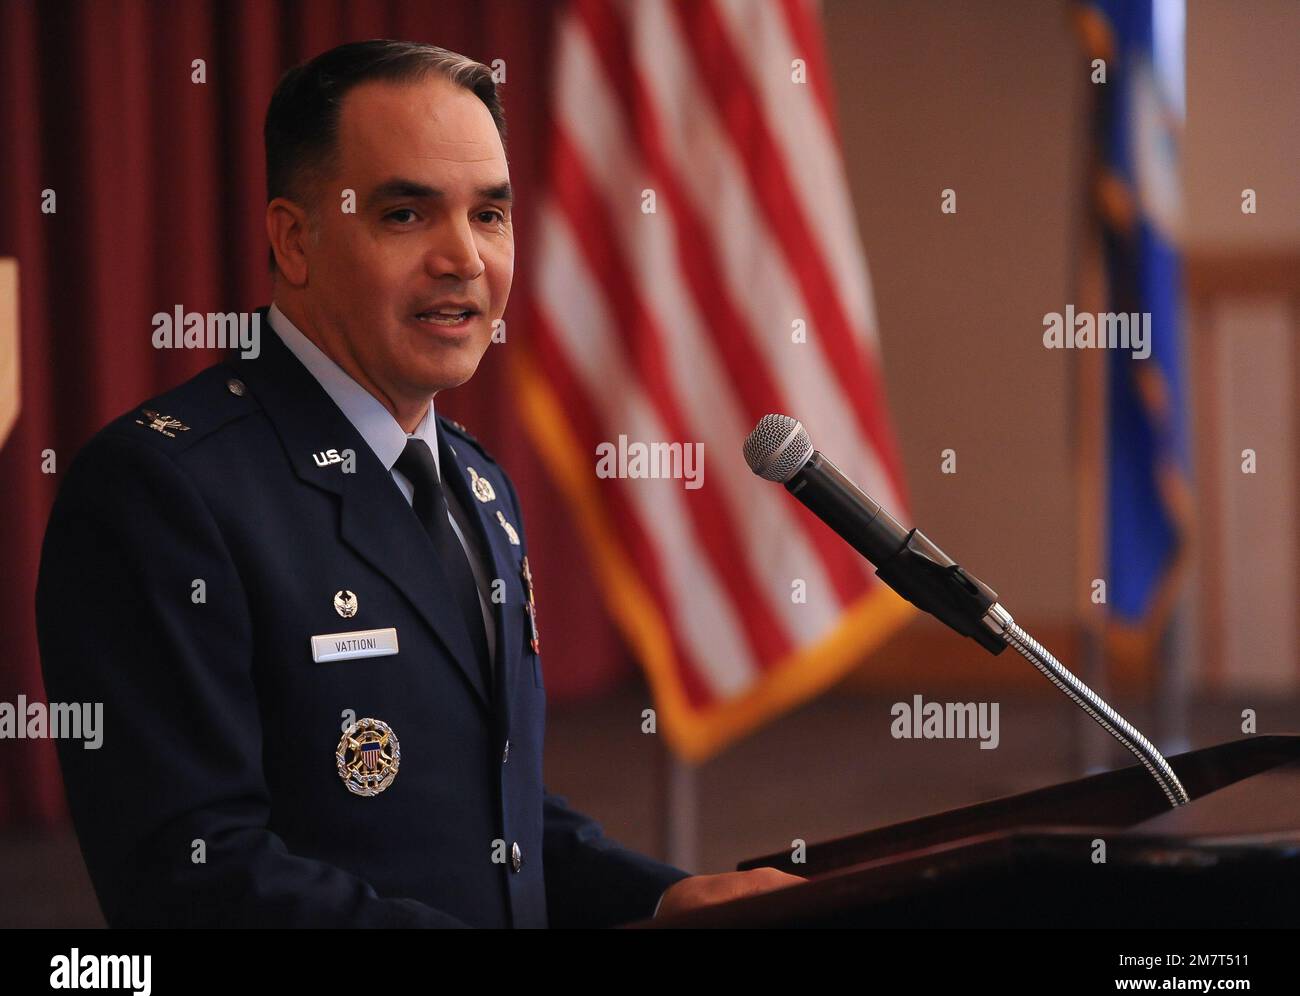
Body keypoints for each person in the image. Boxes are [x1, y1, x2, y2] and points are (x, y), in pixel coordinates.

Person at [35, 39, 801, 928]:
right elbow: (199, 880)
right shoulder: (161, 493)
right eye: (407, 215)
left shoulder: (477, 487)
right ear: (294, 239)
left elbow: (489, 823)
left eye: (489, 215)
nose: (464, 259)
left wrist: (662, 896)